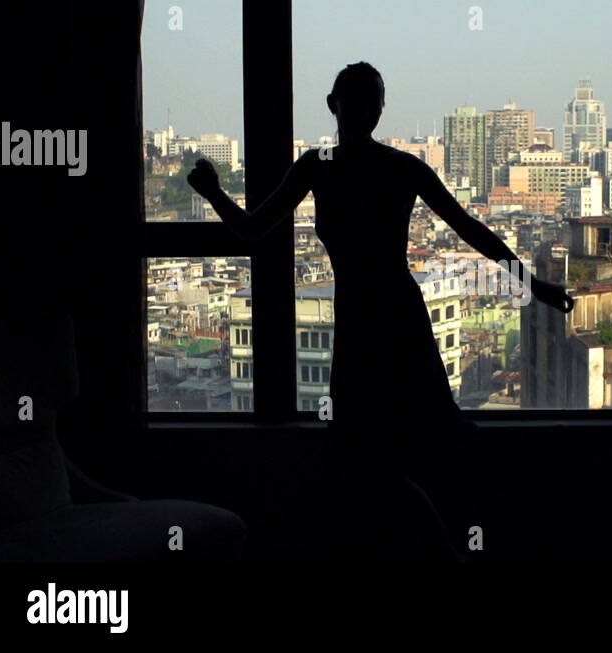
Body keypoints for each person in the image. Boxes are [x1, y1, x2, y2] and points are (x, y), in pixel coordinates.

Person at [188, 62, 574, 557]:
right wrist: (531, 283)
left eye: (370, 100)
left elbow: (251, 230)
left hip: (362, 319)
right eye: (365, 99)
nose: (368, 109)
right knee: (431, 435)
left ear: (335, 105)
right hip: (396, 314)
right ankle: (457, 539)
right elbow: (468, 228)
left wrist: (214, 193)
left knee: (362, 449)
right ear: (351, 106)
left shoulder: (319, 165)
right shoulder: (399, 167)